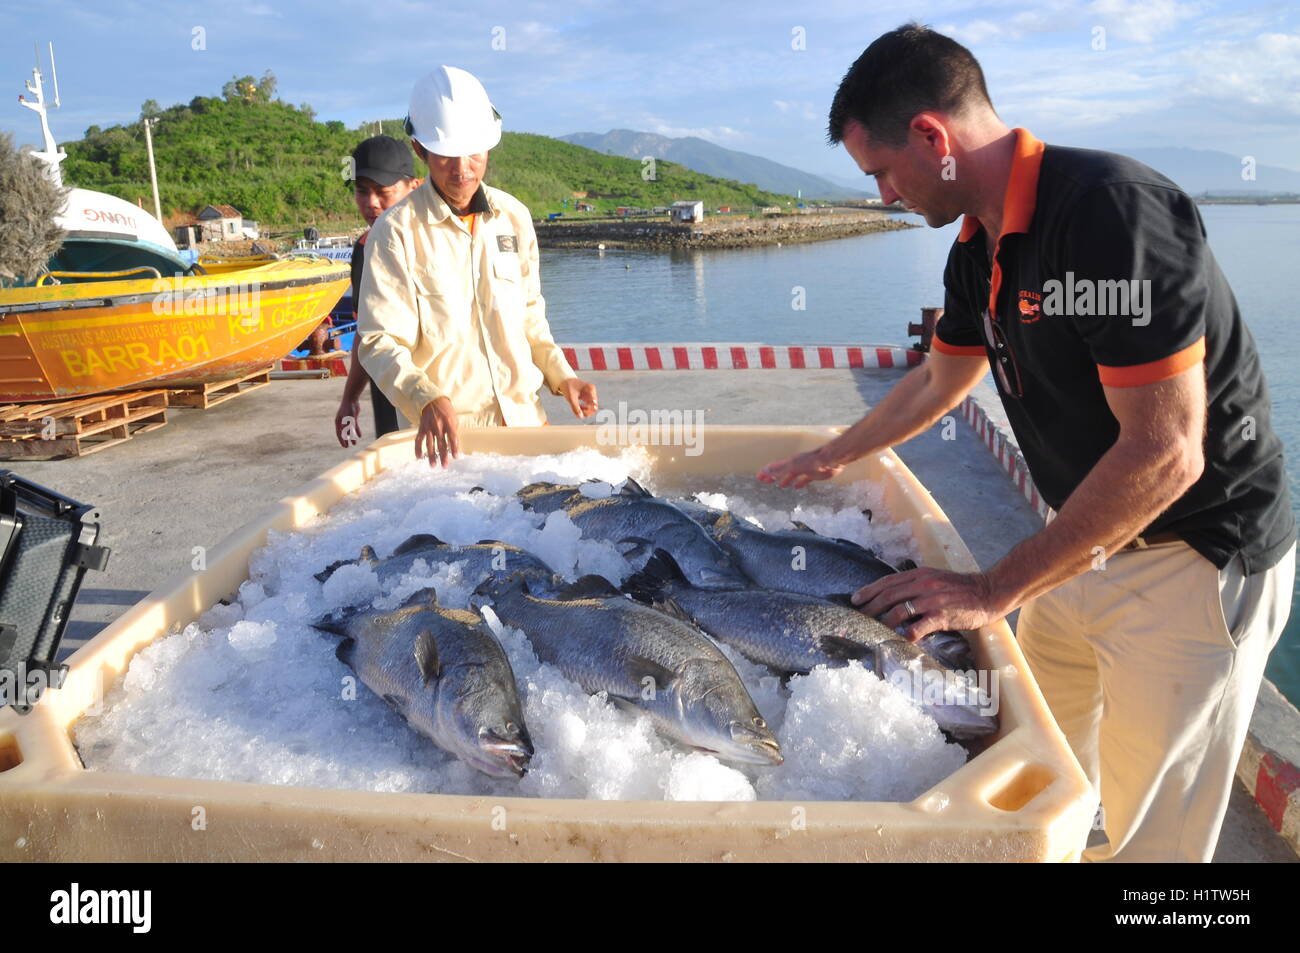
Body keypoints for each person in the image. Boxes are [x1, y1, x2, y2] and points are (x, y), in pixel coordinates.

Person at [760, 23, 1295, 863]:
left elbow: (1166, 452)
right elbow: (940, 381)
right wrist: (833, 452)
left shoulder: (1108, 213)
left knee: (1155, 825)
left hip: (1190, 555)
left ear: (932, 137)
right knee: (1040, 764)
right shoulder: (977, 245)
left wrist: (992, 588)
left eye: (883, 173)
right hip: (1081, 542)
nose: (886, 196)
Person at [357, 66, 597, 467]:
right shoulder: (395, 232)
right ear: (419, 150)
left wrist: (563, 376)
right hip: (450, 444)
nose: (463, 168)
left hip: (526, 424)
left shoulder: (513, 217)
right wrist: (425, 396)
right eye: (447, 154)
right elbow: (378, 341)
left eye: (474, 151)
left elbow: (529, 315)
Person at [333, 135, 422, 447]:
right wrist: (350, 398)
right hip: (389, 395)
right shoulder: (365, 247)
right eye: (361, 191)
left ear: (415, 186)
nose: (371, 202)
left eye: (383, 192)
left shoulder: (438, 243)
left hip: (444, 399)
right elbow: (366, 331)